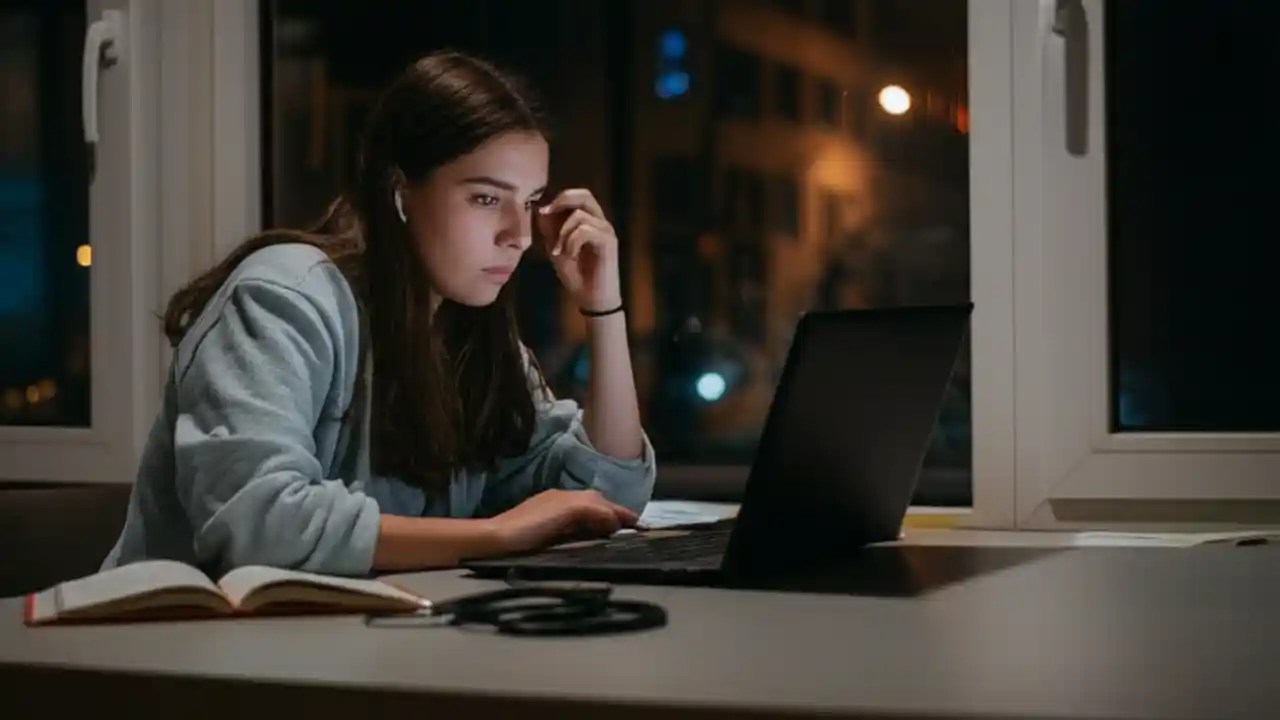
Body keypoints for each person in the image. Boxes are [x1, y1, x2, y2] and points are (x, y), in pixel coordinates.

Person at [101, 51, 655, 577]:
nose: (518, 234)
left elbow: (606, 497)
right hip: (169, 650)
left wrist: (602, 308)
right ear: (400, 195)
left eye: (531, 202)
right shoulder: (286, 296)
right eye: (486, 199)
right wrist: (497, 535)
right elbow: (258, 525)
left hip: (340, 648)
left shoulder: (471, 333)